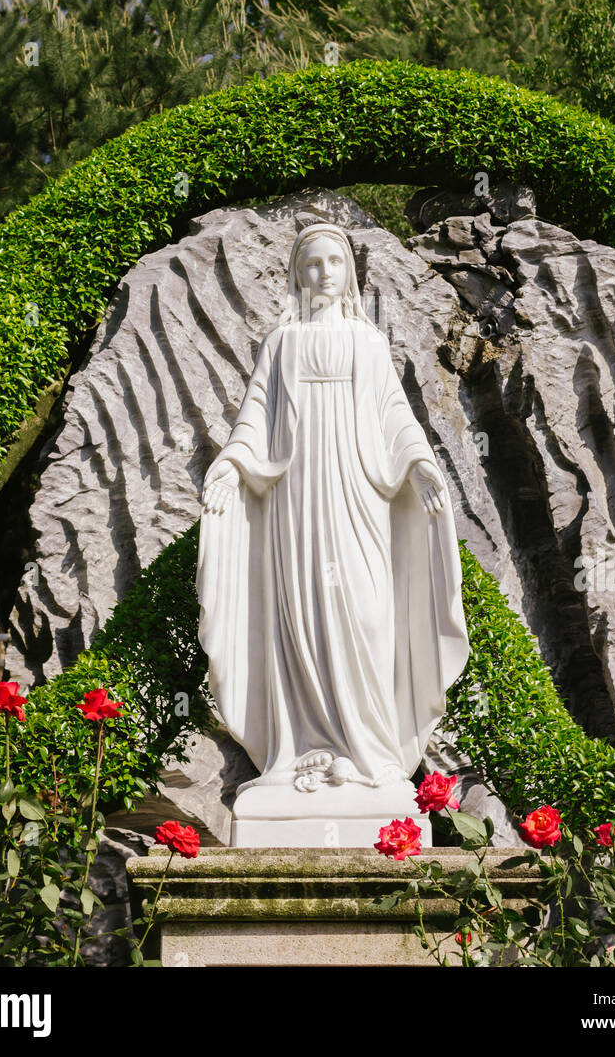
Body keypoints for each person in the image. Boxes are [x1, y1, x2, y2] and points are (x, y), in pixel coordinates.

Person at [196, 220, 469, 804]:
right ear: (298, 275)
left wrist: (419, 463)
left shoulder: (368, 344)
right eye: (312, 264)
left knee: (368, 614)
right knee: (300, 615)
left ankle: (373, 755)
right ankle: (296, 752)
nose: (323, 273)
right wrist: (232, 463)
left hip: (359, 497)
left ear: (350, 274)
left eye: (334, 263)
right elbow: (257, 414)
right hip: (296, 499)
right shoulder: (281, 344)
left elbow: (394, 415)